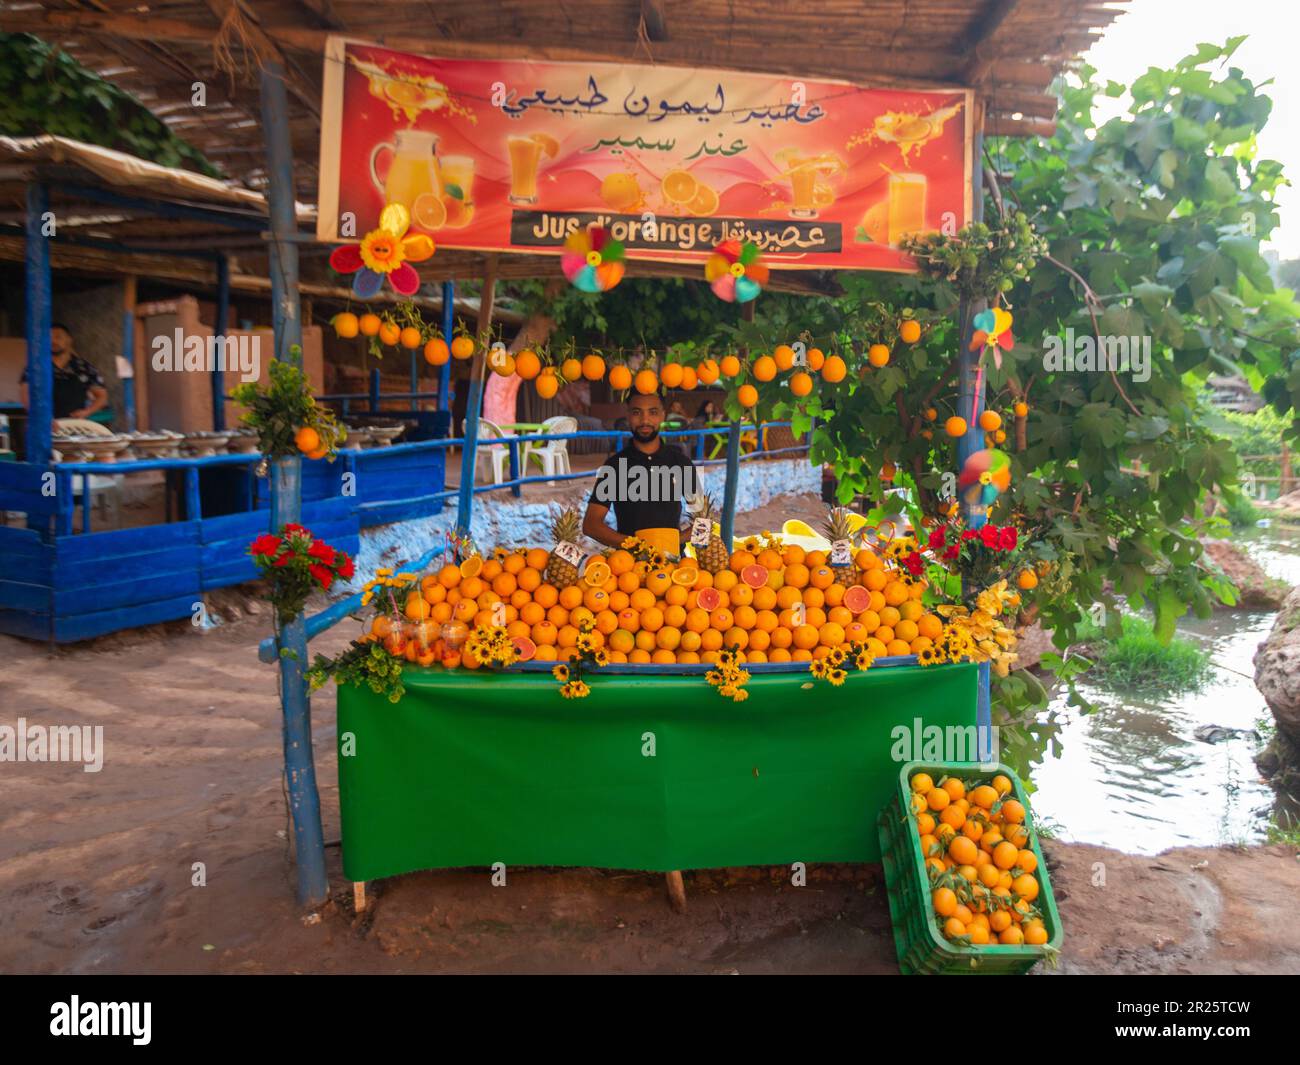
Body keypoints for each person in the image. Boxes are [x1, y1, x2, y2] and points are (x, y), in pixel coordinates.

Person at [583, 390, 698, 550]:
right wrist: (635, 545)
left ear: (663, 415)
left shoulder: (680, 462)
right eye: (637, 412)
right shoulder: (615, 466)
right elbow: (591, 524)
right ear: (628, 416)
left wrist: (670, 541)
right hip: (627, 566)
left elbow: (704, 521)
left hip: (674, 564)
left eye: (653, 412)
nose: (645, 420)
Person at [19, 323, 108, 420]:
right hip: (44, 426)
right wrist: (41, 417)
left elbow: (102, 396)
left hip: (75, 425)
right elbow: (26, 394)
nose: (53, 341)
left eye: (58, 337)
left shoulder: (84, 368)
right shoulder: (36, 367)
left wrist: (86, 412)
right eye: (49, 338)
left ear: (69, 340)